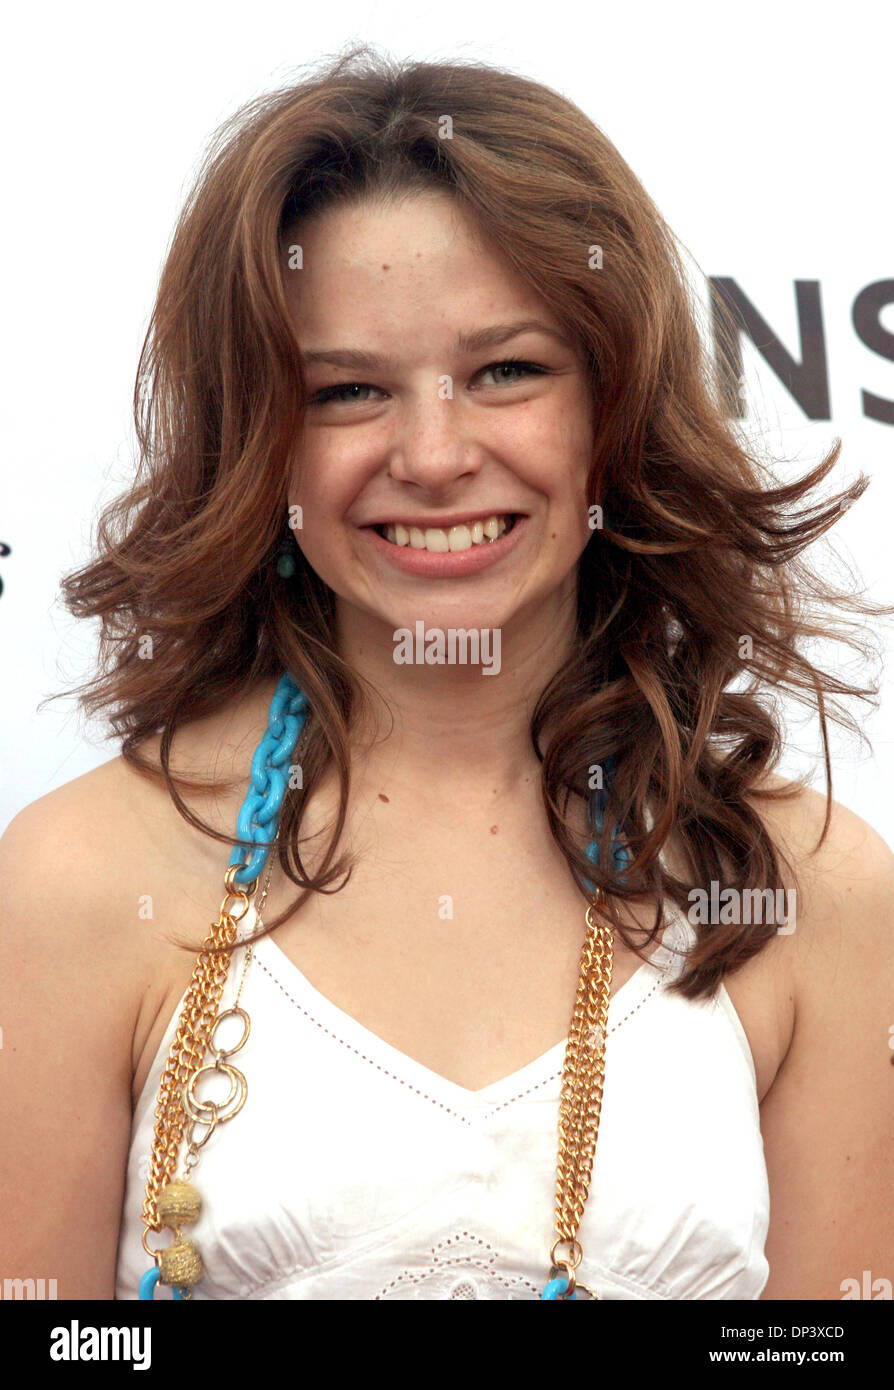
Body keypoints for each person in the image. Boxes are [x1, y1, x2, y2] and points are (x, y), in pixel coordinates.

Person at [1, 44, 892, 1303]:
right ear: (262, 446)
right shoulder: (79, 877)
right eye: (349, 389)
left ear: (616, 407)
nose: (433, 454)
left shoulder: (809, 889)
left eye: (506, 371)